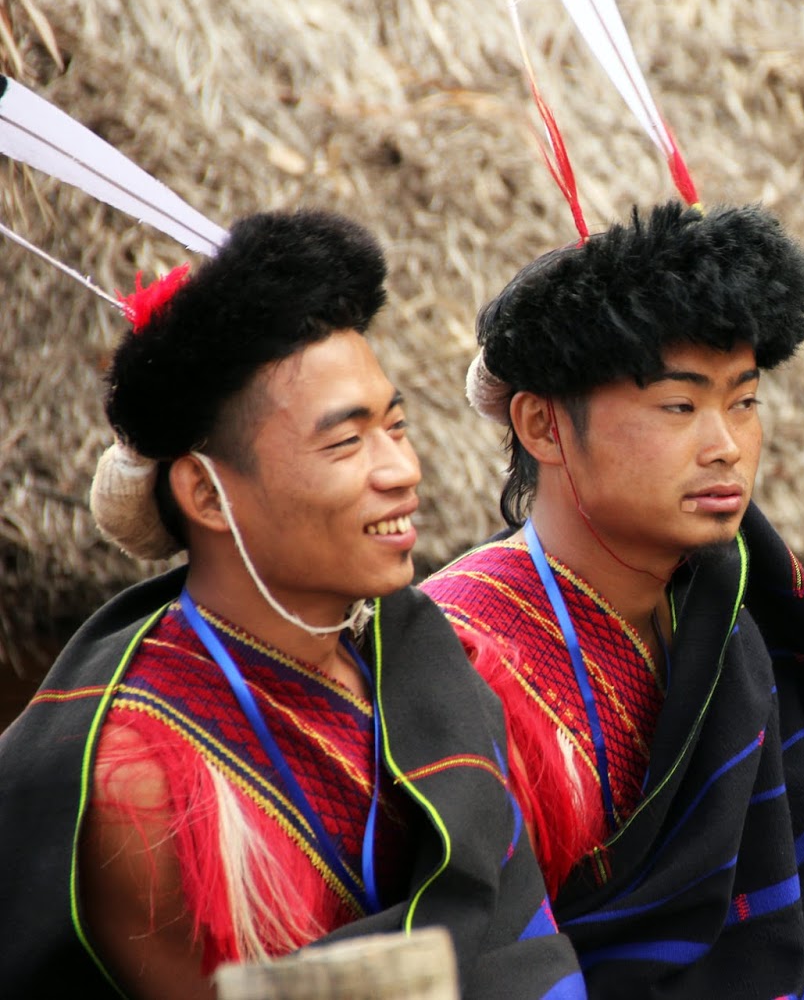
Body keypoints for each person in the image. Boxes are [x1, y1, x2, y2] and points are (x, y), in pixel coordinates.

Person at [0, 211, 583, 999]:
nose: (402, 470)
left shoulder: (425, 664)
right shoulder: (145, 782)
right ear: (208, 493)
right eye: (346, 443)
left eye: (398, 427)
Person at [421, 201, 804, 998]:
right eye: (680, 406)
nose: (726, 445)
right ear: (543, 425)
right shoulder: (466, 658)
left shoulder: (728, 615)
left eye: (744, 402)